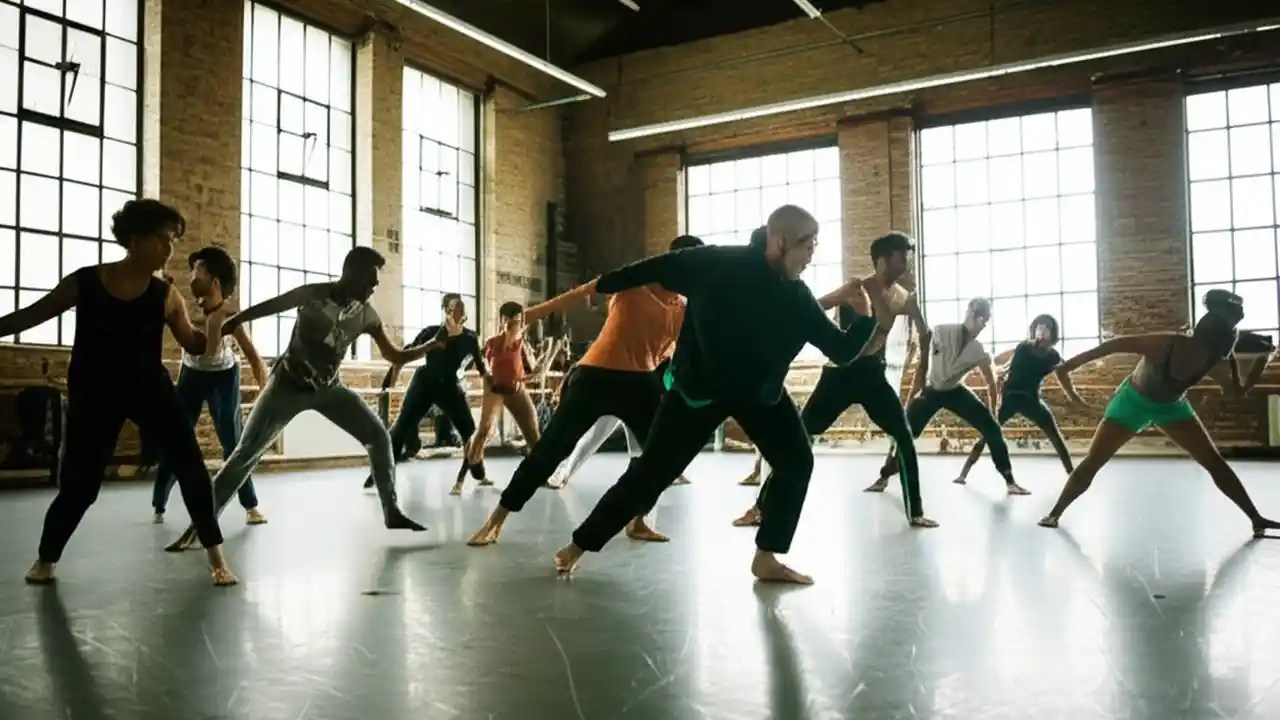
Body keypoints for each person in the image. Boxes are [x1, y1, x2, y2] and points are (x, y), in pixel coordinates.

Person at [550, 205, 877, 585]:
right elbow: (652, 267)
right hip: (696, 394)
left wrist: (864, 317)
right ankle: (578, 546)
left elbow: (840, 351)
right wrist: (601, 285)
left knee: (796, 462)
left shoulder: (797, 297)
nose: (811, 257)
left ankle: (766, 558)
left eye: (815, 247)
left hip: (760, 396)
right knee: (650, 475)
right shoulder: (716, 263)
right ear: (779, 240)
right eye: (807, 246)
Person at [0, 199, 237, 585]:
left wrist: (215, 320)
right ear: (136, 239)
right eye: (163, 240)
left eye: (173, 242)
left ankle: (216, 558)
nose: (169, 250)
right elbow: (31, 314)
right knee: (80, 485)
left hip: (149, 389)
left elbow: (195, 346)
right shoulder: (87, 281)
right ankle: (45, 560)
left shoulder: (166, 295)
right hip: (95, 393)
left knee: (190, 463)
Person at [165, 247, 438, 551]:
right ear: (350, 272)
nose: (372, 288)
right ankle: (200, 526)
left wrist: (431, 346)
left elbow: (394, 355)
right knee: (245, 454)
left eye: (375, 284)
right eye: (369, 282)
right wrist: (234, 321)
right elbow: (272, 306)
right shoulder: (313, 293)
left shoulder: (367, 315)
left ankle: (391, 511)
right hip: (287, 386)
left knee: (378, 436)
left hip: (329, 390)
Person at [466, 235, 703, 547]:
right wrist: (536, 312)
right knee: (551, 449)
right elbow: (584, 291)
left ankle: (639, 520)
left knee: (661, 458)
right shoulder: (633, 284)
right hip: (596, 376)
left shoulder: (684, 307)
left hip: (641, 383)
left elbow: (678, 348)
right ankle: (496, 519)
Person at [732, 231, 937, 529]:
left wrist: (922, 372)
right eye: (901, 255)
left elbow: (925, 332)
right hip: (840, 374)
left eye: (909, 255)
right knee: (799, 443)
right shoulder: (858, 287)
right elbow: (813, 307)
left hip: (872, 375)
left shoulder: (903, 297)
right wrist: (839, 300)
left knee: (904, 437)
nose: (907, 261)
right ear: (883, 259)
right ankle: (760, 508)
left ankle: (915, 512)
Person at [1038, 290, 1280, 536]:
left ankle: (1255, 518)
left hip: (1172, 407)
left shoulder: (1214, 360)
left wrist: (1262, 361)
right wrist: (1070, 379)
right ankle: (1054, 513)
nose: (1205, 358)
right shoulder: (1164, 344)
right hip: (1132, 403)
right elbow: (1110, 347)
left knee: (1214, 462)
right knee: (1094, 461)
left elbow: (1237, 391)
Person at [152, 247, 269, 526]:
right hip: (192, 374)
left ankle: (250, 505)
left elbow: (253, 355)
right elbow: (201, 349)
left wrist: (265, 390)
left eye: (198, 272)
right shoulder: (187, 306)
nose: (192, 277)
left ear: (215, 283)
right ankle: (159, 503)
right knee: (177, 436)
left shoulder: (230, 317)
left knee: (232, 441)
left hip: (224, 376)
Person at [873, 297, 1030, 498]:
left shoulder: (978, 350)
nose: (982, 324)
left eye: (986, 320)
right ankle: (883, 477)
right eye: (979, 317)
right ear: (969, 314)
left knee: (992, 429)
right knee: (904, 432)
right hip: (932, 391)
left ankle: (1010, 481)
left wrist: (992, 411)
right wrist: (913, 395)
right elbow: (923, 366)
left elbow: (990, 382)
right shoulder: (941, 331)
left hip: (955, 392)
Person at [361, 293, 487, 489]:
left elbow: (481, 366)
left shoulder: (470, 338)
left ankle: (479, 473)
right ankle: (377, 475)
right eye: (454, 309)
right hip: (425, 384)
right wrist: (391, 380)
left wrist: (491, 382)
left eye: (462, 310)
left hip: (450, 387)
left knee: (470, 432)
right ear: (446, 311)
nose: (459, 313)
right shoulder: (431, 332)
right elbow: (405, 354)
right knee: (400, 428)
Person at [952, 314, 1086, 485]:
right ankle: (963, 474)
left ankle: (1072, 475)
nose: (1043, 331)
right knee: (988, 432)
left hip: (1031, 400)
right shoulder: (1024, 347)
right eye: (1040, 327)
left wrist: (1076, 398)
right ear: (1034, 331)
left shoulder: (1053, 356)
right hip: (1011, 398)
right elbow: (1009, 364)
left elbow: (1064, 376)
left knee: (1054, 434)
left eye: (1047, 328)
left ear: (1053, 334)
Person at [451, 301, 560, 495]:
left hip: (517, 391)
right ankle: (461, 479)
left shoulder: (523, 345)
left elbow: (535, 371)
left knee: (533, 435)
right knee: (483, 431)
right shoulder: (492, 343)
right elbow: (485, 364)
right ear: (502, 321)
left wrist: (549, 354)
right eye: (510, 322)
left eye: (517, 322)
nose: (514, 326)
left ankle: (541, 477)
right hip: (495, 390)